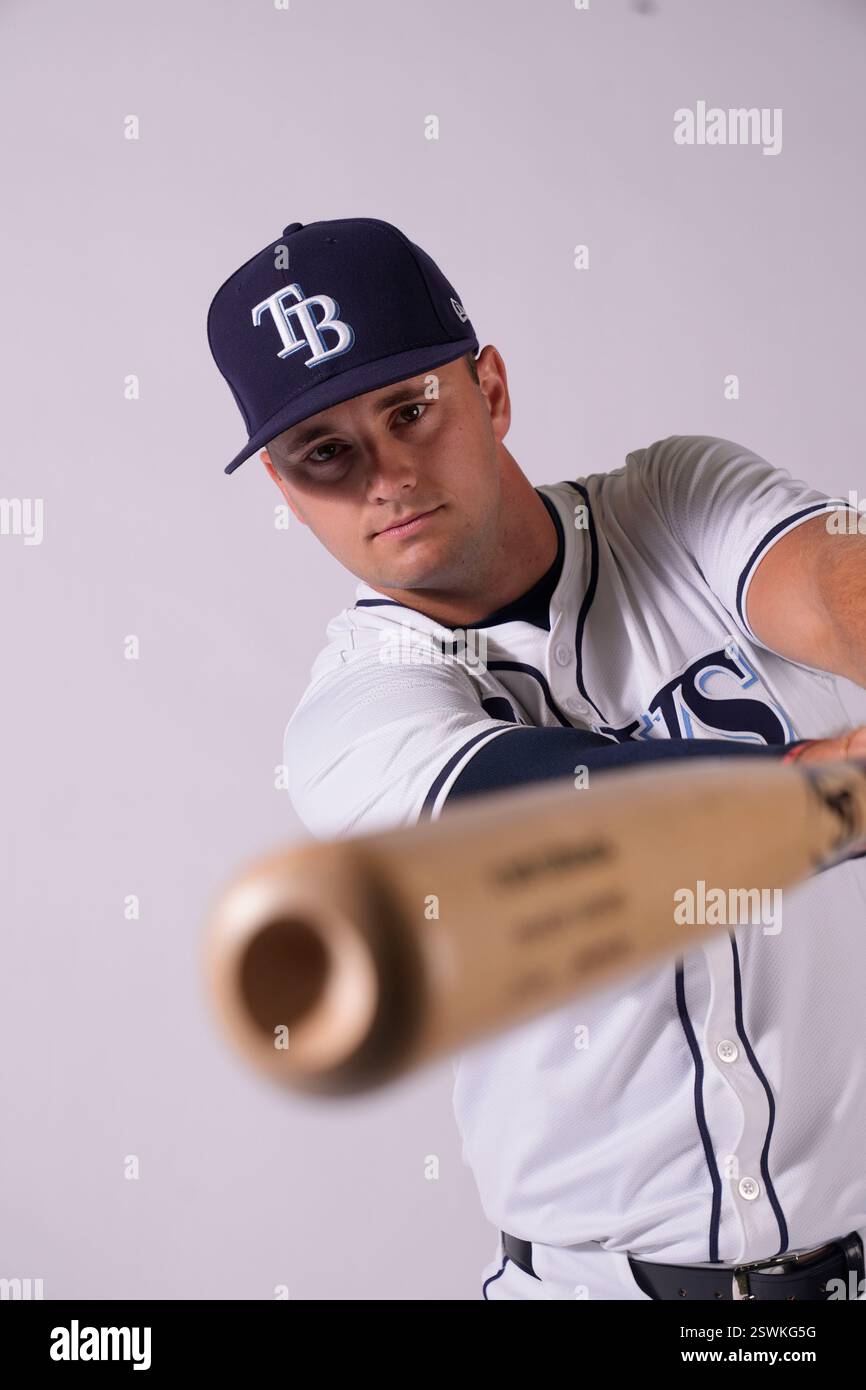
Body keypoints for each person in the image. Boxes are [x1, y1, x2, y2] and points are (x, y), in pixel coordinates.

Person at [207, 217, 866, 1301]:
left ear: (491, 389)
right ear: (286, 489)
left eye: (409, 410)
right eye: (325, 452)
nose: (385, 475)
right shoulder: (351, 718)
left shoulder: (674, 500)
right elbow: (563, 816)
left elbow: (835, 583)